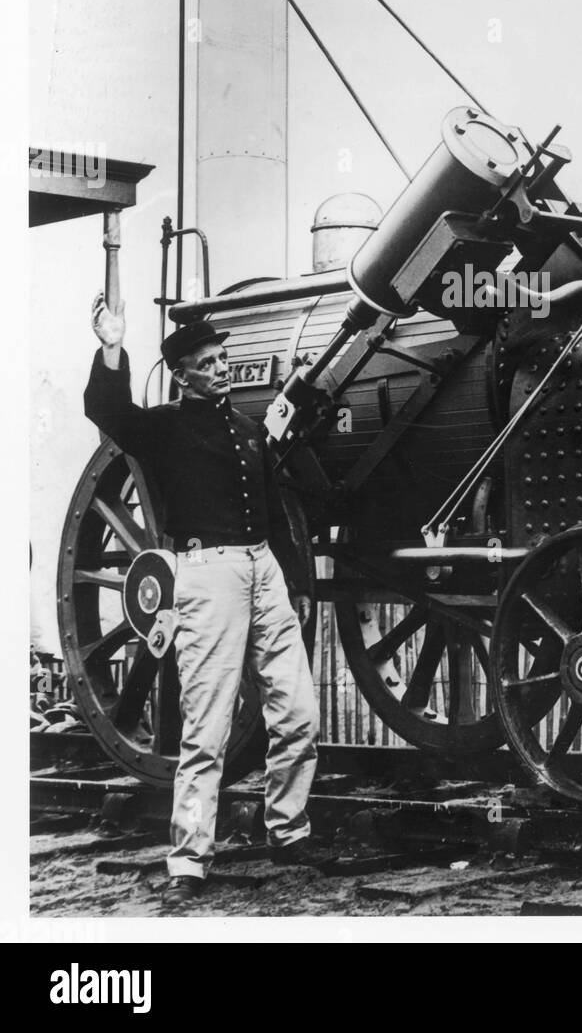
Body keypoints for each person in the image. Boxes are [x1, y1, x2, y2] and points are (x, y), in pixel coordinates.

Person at [85, 295, 320, 899]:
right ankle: (189, 859)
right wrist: (112, 347)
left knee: (298, 713)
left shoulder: (246, 430)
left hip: (262, 569)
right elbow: (106, 408)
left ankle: (288, 831)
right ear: (183, 373)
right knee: (207, 727)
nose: (220, 369)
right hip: (207, 573)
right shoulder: (161, 427)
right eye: (208, 363)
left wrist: (291, 582)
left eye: (222, 358)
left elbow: (270, 510)